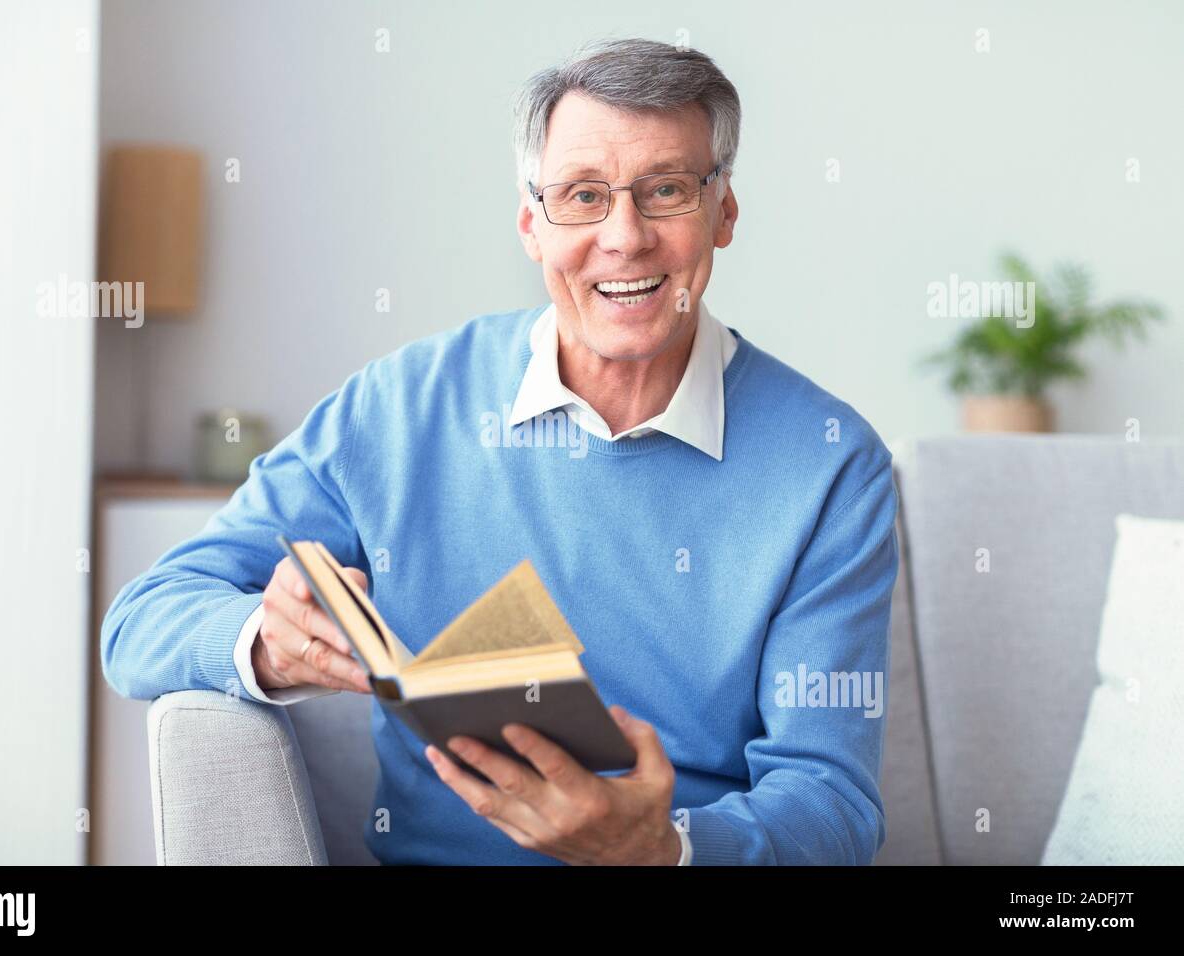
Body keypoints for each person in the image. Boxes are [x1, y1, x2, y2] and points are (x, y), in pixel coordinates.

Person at [102, 37, 899, 866]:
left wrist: (662, 847)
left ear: (723, 211)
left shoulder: (832, 466)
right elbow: (139, 621)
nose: (623, 238)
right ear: (532, 224)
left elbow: (832, 801)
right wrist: (266, 641)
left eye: (665, 190)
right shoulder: (401, 409)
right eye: (583, 196)